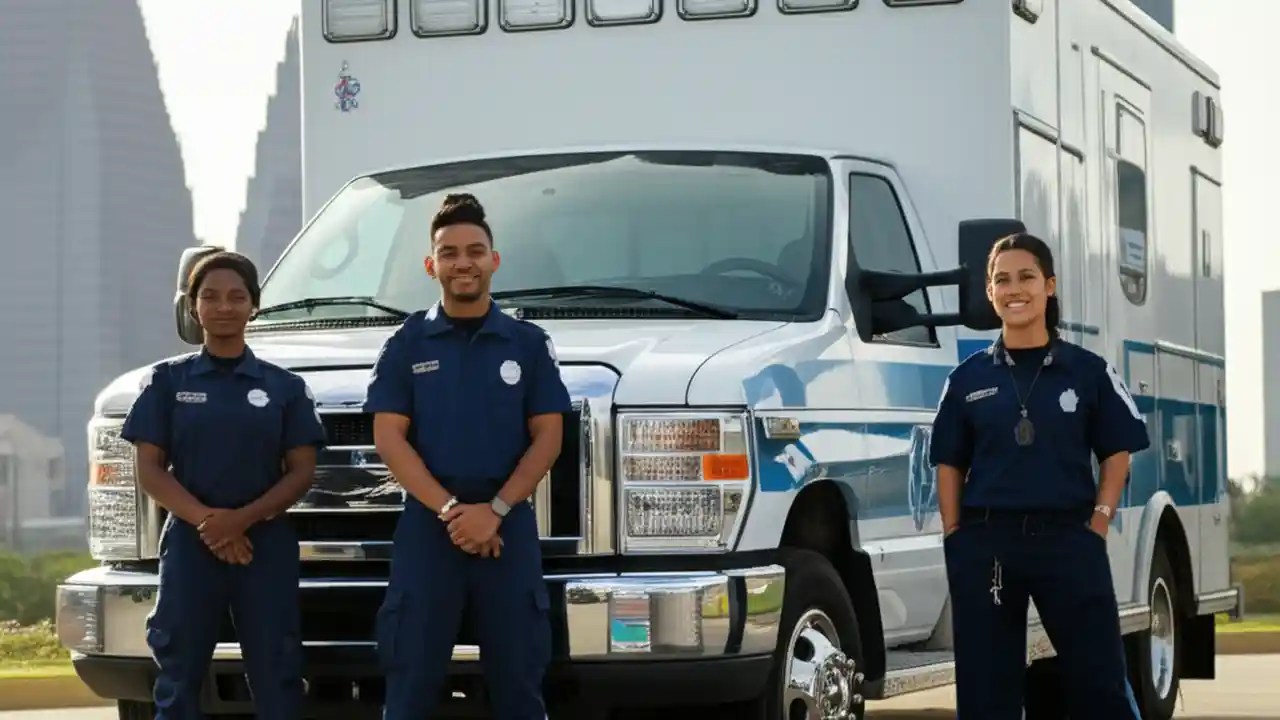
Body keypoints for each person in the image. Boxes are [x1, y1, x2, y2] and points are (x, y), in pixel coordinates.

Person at [929, 232, 1151, 719]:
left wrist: (1099, 521)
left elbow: (1117, 452)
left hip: (1069, 540)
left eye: (1026, 277)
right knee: (987, 693)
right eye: (1002, 280)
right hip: (988, 545)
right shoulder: (967, 379)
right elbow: (949, 462)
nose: (1015, 289)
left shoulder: (1088, 372)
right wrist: (955, 536)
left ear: (1049, 286)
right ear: (990, 292)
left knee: (1100, 684)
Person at [366, 193, 571, 719]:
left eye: (475, 251)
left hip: (507, 528)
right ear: (430, 264)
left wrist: (495, 511)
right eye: (449, 252)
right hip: (429, 529)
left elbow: (548, 436)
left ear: (494, 260)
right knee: (409, 682)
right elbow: (389, 438)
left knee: (520, 680)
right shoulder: (406, 344)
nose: (463, 262)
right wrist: (452, 511)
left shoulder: (527, 344)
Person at [121, 249, 327, 719]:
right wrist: (210, 523)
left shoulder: (285, 387)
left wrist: (241, 521)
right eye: (210, 296)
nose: (223, 306)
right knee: (178, 668)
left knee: (276, 666)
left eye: (237, 296)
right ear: (193, 308)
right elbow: (149, 469)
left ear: (254, 305)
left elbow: (301, 472)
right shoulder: (166, 381)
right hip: (191, 543)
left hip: (264, 544)